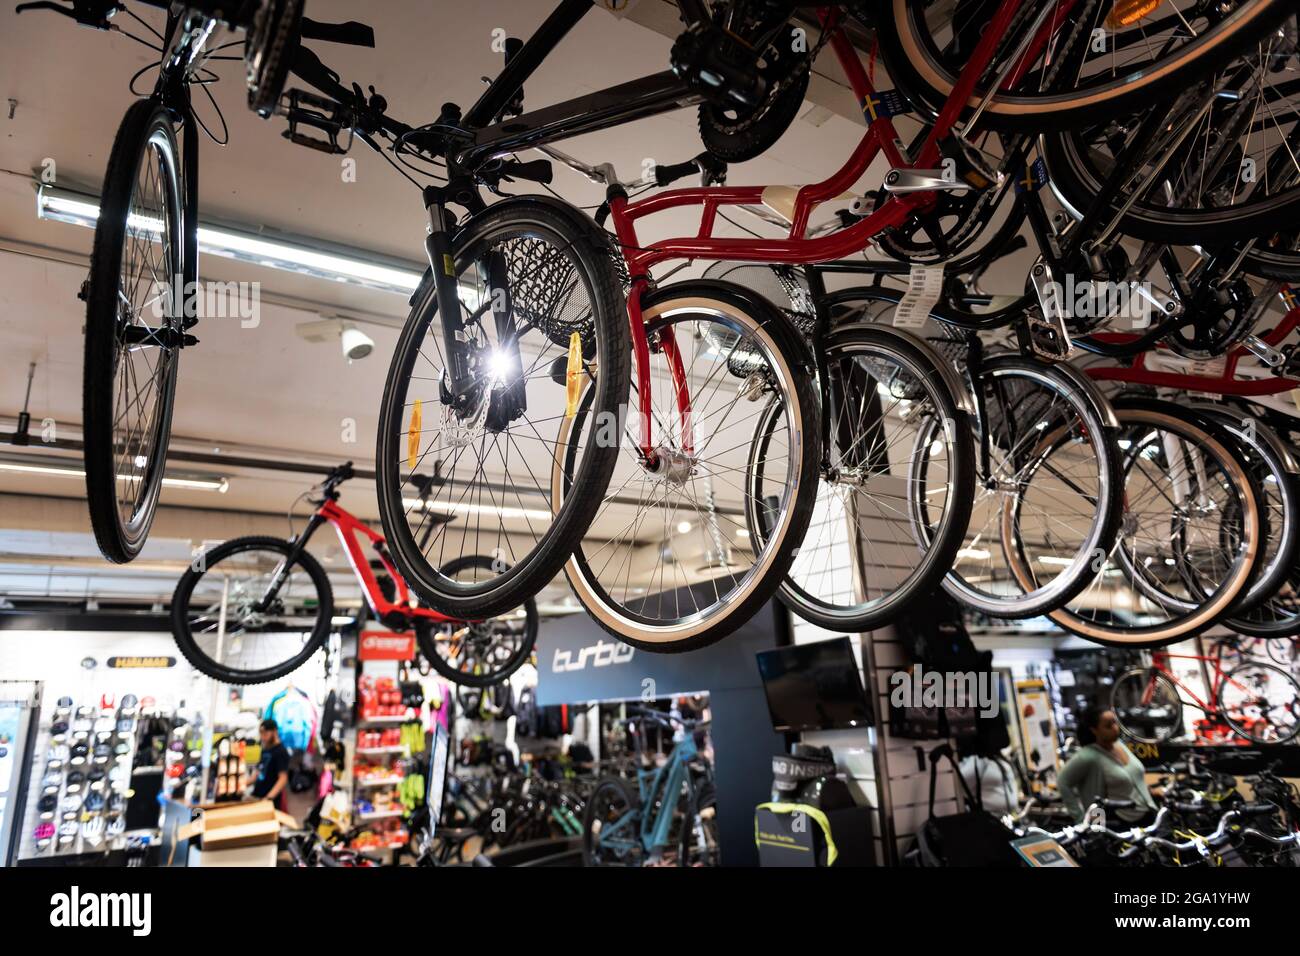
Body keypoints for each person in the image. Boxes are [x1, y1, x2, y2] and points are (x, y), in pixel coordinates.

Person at [1056, 704, 1158, 825]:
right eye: (1108, 726)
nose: (1115, 728)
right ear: (1094, 730)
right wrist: (1080, 819)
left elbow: (1133, 778)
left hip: (1148, 813)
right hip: (1120, 822)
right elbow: (1063, 782)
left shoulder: (1119, 744)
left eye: (1115, 723)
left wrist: (1151, 791)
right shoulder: (1088, 756)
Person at [249, 718, 290, 805]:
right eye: (261, 733)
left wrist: (268, 798)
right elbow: (257, 773)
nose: (263, 737)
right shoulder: (265, 750)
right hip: (257, 796)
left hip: (269, 801)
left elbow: (283, 779)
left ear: (274, 731)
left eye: (265, 733)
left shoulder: (281, 751)